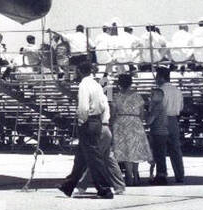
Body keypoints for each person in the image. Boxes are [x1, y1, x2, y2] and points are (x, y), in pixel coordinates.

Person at [58, 63, 115, 198]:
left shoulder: (84, 84)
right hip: (97, 120)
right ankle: (69, 185)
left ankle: (104, 188)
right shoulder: (96, 84)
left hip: (88, 121)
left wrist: (81, 120)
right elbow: (104, 103)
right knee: (81, 156)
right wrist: (104, 119)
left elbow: (83, 106)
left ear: (79, 71)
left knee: (94, 157)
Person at [146, 66, 185, 184]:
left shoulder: (159, 91)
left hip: (161, 120)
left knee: (159, 149)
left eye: (157, 76)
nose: (156, 79)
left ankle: (161, 174)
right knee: (175, 149)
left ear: (161, 77)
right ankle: (180, 174)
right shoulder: (177, 90)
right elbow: (181, 107)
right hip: (174, 120)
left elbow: (154, 107)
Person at [109, 73, 149, 185]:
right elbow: (142, 114)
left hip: (121, 122)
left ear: (119, 83)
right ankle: (136, 175)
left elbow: (113, 114)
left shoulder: (117, 97)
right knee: (135, 150)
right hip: (135, 122)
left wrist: (112, 125)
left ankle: (129, 176)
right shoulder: (138, 96)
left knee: (126, 151)